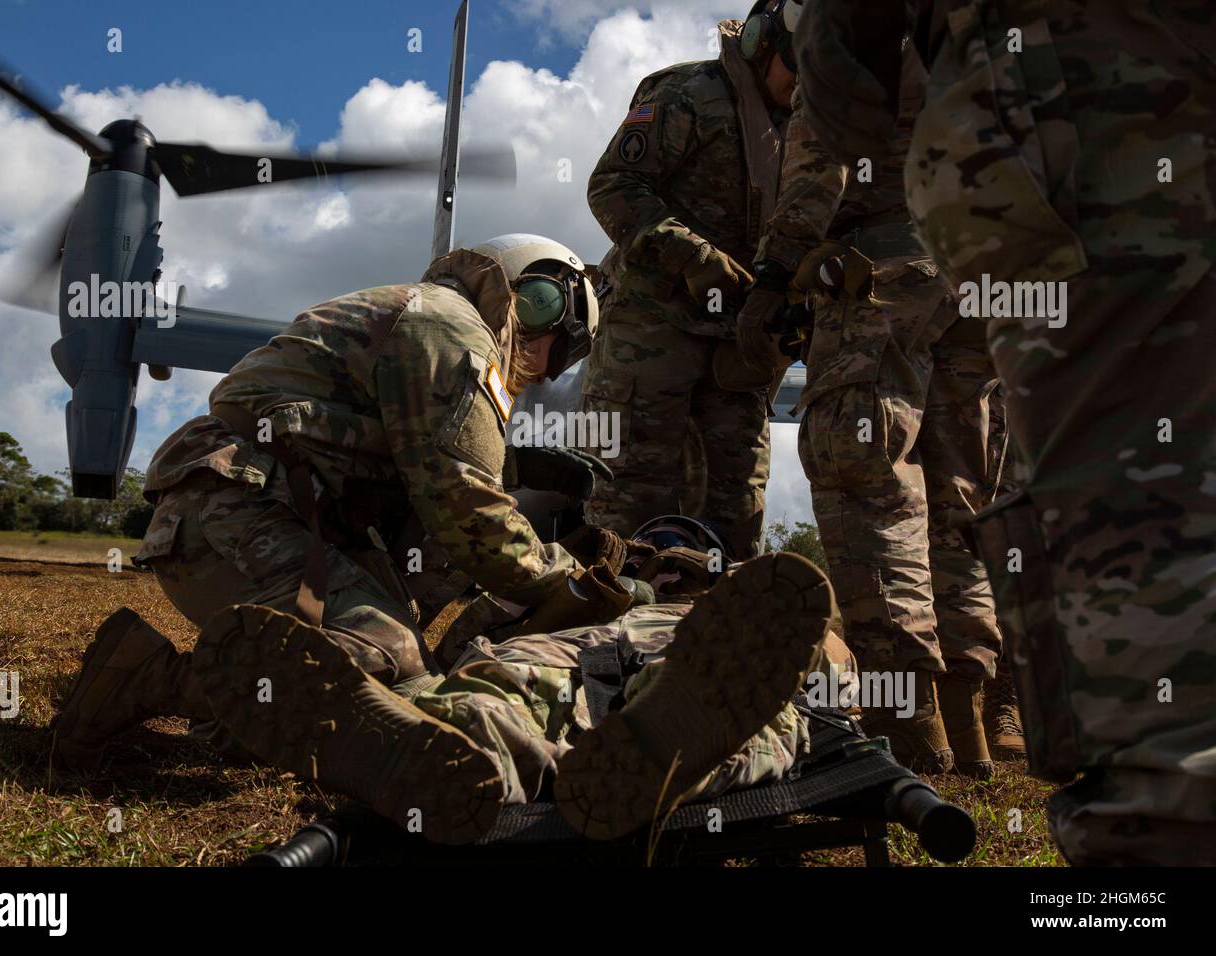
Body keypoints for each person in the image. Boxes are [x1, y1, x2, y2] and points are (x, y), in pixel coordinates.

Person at [793, 0, 1216, 864]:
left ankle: (920, 733)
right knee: (969, 496)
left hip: (1040, 138)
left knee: (881, 473)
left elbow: (843, 94)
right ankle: (982, 727)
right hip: (1011, 214)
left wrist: (775, 271)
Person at [50, 235, 620, 786]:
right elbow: (465, 508)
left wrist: (519, 469)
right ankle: (145, 677)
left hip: (242, 508)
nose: (548, 372)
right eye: (562, 348)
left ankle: (236, 710)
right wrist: (567, 579)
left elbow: (391, 448)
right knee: (387, 664)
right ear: (539, 300)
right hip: (232, 511)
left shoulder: (428, 317)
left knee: (385, 685)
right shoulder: (453, 327)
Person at [736, 0, 1003, 776]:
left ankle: (903, 714)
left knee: (860, 465)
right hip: (983, 277)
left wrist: (775, 276)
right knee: (958, 493)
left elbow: (822, 161)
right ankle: (966, 709)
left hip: (890, 266)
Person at [192, 549, 838, 843]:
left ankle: (466, 742)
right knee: (755, 720)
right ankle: (649, 761)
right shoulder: (752, 619)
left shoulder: (759, 621)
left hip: (608, 651)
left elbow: (820, 662)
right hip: (612, 650)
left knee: (504, 686)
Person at [579, 3, 798, 559]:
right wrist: (694, 258)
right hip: (651, 334)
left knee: (735, 518)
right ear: (761, 43)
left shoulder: (812, 132)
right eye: (800, 64)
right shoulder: (689, 94)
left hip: (738, 354)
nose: (805, 84)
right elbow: (612, 185)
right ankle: (599, 640)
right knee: (625, 504)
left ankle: (719, 640)